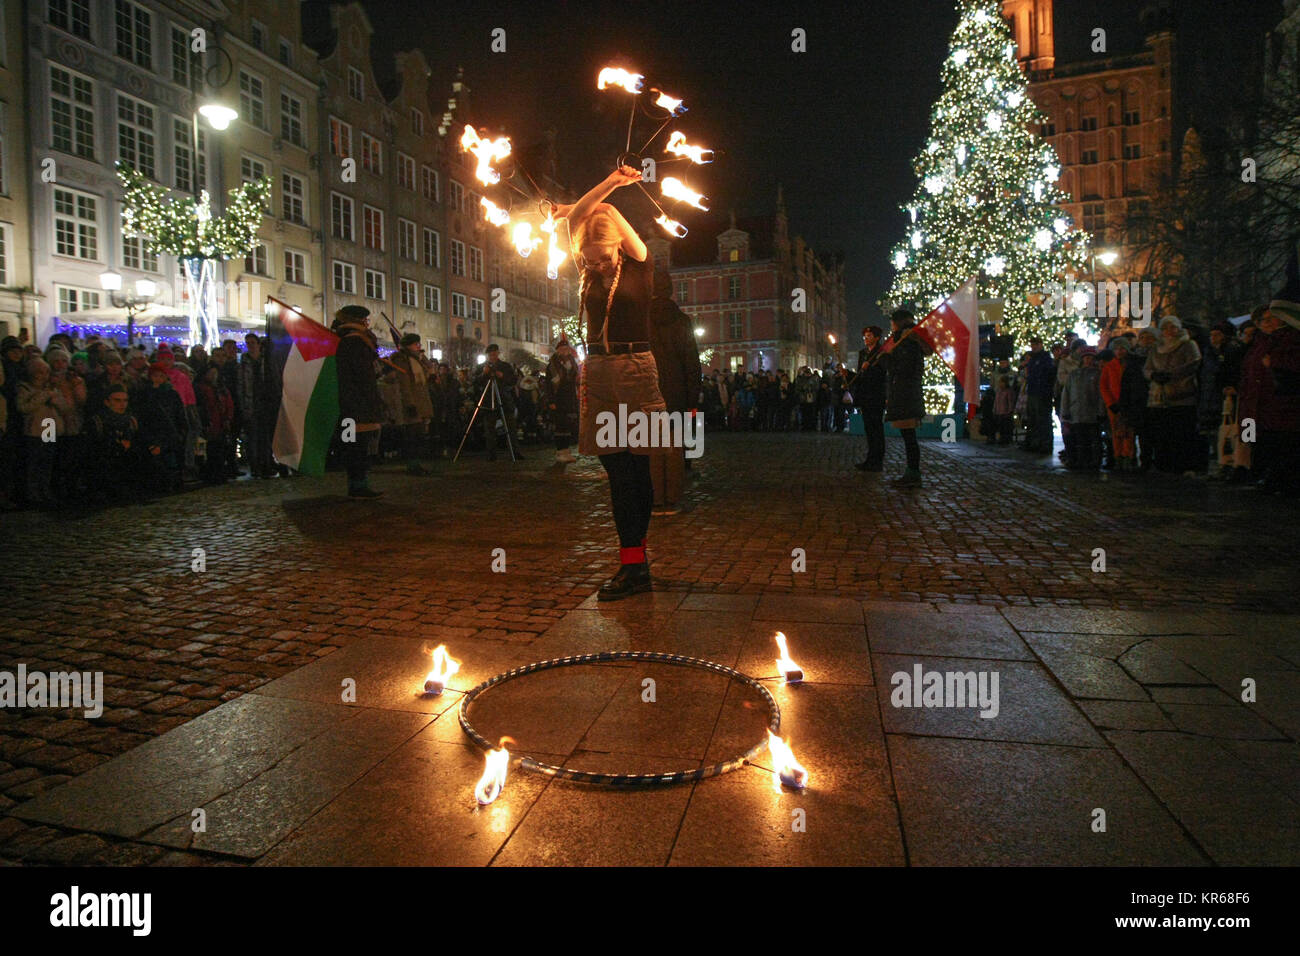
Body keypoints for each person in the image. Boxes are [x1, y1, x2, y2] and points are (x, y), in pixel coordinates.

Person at [553, 163, 665, 599]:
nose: (596, 262)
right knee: (617, 471)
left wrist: (614, 194)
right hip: (598, 372)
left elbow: (597, 214)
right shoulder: (586, 269)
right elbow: (580, 216)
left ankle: (635, 564)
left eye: (603, 255)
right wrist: (601, 187)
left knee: (638, 470)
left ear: (617, 245)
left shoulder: (639, 265)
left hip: (637, 369)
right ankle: (634, 563)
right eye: (590, 256)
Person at [1239, 283, 1300, 494]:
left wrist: (1274, 362)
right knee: (1256, 441)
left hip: (1279, 403)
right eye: (1262, 320)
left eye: (1270, 318)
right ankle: (1256, 473)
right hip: (1256, 405)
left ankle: (1281, 480)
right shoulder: (1258, 343)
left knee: (1282, 443)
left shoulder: (1289, 338)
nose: (1266, 323)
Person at [649, 267, 701, 513]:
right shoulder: (682, 321)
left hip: (647, 392)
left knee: (652, 448)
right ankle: (672, 499)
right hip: (677, 393)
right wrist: (693, 399)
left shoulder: (641, 320)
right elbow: (692, 363)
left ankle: (656, 499)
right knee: (674, 448)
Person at [332, 305, 385, 498]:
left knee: (355, 446)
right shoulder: (355, 343)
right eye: (364, 320)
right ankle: (357, 485)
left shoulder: (347, 341)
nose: (367, 324)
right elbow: (364, 375)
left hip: (349, 404)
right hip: (356, 404)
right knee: (356, 447)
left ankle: (356, 484)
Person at [1144, 316, 1202, 474]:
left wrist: (1171, 375)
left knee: (1182, 432)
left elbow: (1193, 363)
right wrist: (1154, 375)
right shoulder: (1156, 348)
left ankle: (1184, 464)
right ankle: (1165, 463)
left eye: (1172, 327)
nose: (1169, 331)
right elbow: (1148, 367)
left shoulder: (1188, 344)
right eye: (1165, 328)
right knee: (1163, 433)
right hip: (1159, 397)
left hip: (1182, 395)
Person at [883, 308, 931, 487]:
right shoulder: (908, 341)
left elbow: (902, 368)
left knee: (909, 437)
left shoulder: (907, 343)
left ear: (897, 323)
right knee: (908, 436)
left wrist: (887, 360)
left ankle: (913, 473)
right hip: (908, 393)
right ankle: (912, 472)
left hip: (906, 395)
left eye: (892, 323)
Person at [387, 333, 434, 475]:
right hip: (412, 402)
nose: (419, 346)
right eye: (416, 344)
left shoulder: (417, 359)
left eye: (419, 344)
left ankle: (416, 464)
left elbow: (428, 371)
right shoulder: (402, 360)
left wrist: (423, 358)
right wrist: (410, 404)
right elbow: (404, 384)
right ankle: (412, 465)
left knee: (419, 435)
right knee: (412, 436)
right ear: (408, 346)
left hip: (420, 400)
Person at [475, 343, 521, 460]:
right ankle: (491, 454)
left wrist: (502, 376)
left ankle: (515, 451)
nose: (492, 356)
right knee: (489, 429)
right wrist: (483, 374)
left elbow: (512, 380)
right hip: (488, 401)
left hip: (504, 400)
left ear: (498, 354)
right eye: (490, 354)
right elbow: (476, 382)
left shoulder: (505, 366)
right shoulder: (481, 367)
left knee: (510, 427)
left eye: (494, 354)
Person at [1061, 347, 1103, 470]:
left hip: (1092, 411)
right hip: (1077, 411)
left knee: (1093, 438)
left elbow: (1100, 394)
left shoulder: (1097, 374)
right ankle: (1081, 460)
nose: (1088, 360)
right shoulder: (1074, 374)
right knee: (1080, 439)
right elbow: (1067, 393)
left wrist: (1101, 411)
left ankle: (1094, 461)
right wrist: (1066, 411)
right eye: (1086, 358)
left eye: (1091, 358)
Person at [853, 325, 887, 471]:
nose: (866, 339)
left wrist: (870, 368)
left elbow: (883, 373)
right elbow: (860, 374)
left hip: (876, 395)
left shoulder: (882, 352)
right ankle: (870, 459)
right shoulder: (863, 353)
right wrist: (847, 374)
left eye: (869, 336)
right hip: (865, 395)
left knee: (876, 429)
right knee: (869, 429)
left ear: (877, 338)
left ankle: (877, 460)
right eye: (865, 337)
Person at [196, 366, 236, 484]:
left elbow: (229, 404)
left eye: (215, 373)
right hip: (210, 422)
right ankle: (211, 474)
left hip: (221, 422)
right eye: (211, 373)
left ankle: (219, 473)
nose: (213, 376)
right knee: (211, 450)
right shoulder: (202, 388)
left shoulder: (221, 388)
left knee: (220, 449)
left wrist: (228, 418)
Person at [544, 338, 581, 463]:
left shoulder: (572, 362)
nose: (565, 351)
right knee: (560, 426)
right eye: (563, 349)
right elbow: (549, 385)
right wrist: (551, 401)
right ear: (558, 351)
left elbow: (574, 377)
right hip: (558, 398)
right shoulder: (553, 365)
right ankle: (560, 452)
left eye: (567, 349)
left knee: (568, 425)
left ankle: (566, 451)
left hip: (569, 398)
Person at [1022, 337, 1056, 453]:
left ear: (1041, 344)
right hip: (1033, 391)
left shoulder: (1045, 359)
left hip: (1042, 393)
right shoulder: (1033, 359)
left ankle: (1044, 444)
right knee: (1033, 419)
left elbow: (1047, 375)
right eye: (1032, 345)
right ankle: (1034, 443)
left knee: (1043, 419)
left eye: (1036, 344)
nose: (1034, 347)